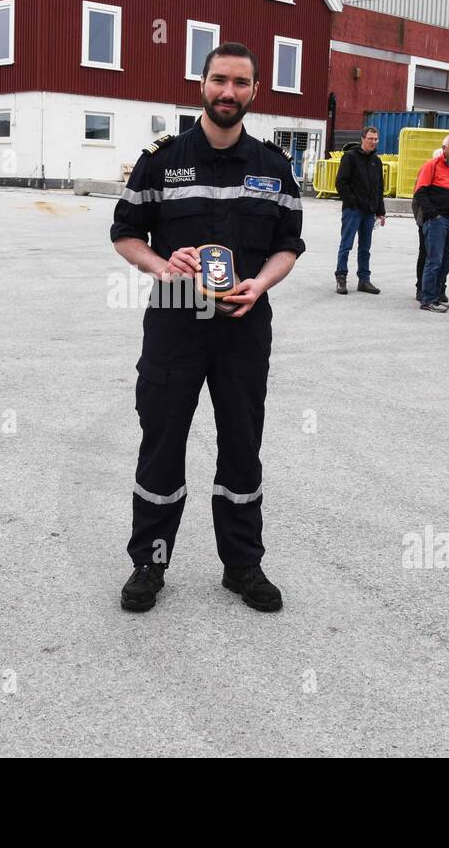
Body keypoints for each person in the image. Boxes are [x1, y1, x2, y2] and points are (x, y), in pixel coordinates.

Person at [110, 42, 304, 613]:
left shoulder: (273, 165)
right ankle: (150, 561)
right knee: (162, 441)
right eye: (219, 80)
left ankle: (243, 564)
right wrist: (162, 266)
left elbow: (289, 245)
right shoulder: (162, 159)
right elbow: (125, 234)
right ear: (202, 83)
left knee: (243, 445)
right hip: (176, 325)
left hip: (244, 328)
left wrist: (261, 284)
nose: (228, 92)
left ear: (254, 91)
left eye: (240, 83)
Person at [413, 135, 449, 312]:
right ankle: (427, 299)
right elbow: (420, 193)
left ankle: (436, 294)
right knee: (434, 260)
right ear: (444, 148)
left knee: (448, 260)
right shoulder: (432, 166)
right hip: (437, 222)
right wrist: (433, 215)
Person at [333, 126, 386, 294]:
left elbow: (379, 188)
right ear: (363, 138)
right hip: (353, 211)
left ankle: (364, 280)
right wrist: (352, 201)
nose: (373, 142)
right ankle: (341, 278)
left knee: (365, 248)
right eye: (370, 138)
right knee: (346, 245)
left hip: (369, 212)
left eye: (376, 139)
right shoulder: (350, 158)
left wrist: (380, 211)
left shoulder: (376, 162)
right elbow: (341, 182)